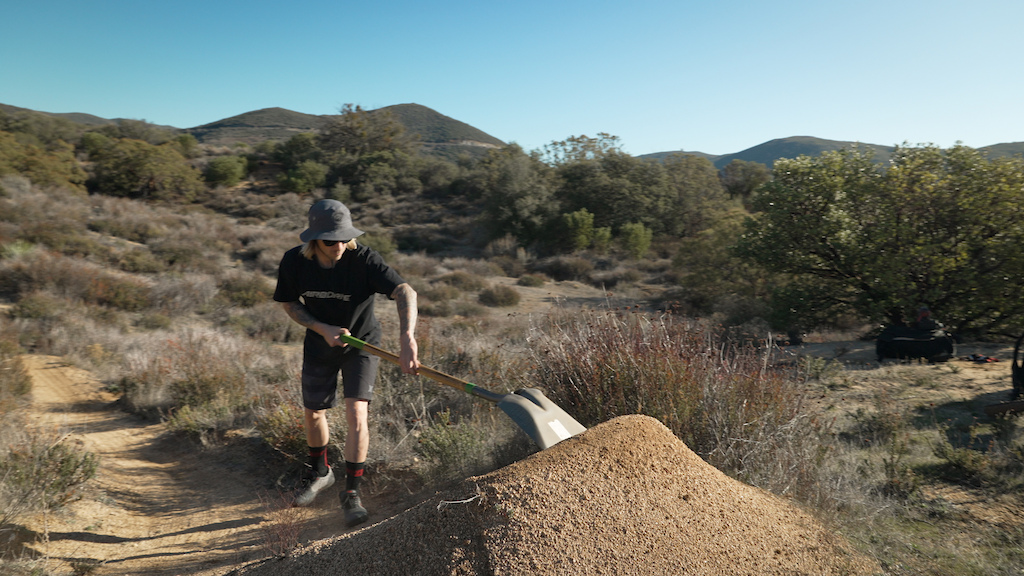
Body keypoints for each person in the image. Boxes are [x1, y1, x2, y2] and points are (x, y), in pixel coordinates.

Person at [273, 199, 419, 527]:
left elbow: (405, 291)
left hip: (362, 345)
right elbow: (289, 302)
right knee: (314, 411)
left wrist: (407, 338)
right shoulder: (294, 261)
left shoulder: (364, 259)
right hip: (320, 342)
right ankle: (319, 472)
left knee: (357, 413)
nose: (338, 246)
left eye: (344, 238)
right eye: (330, 241)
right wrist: (322, 328)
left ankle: (351, 492)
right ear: (314, 240)